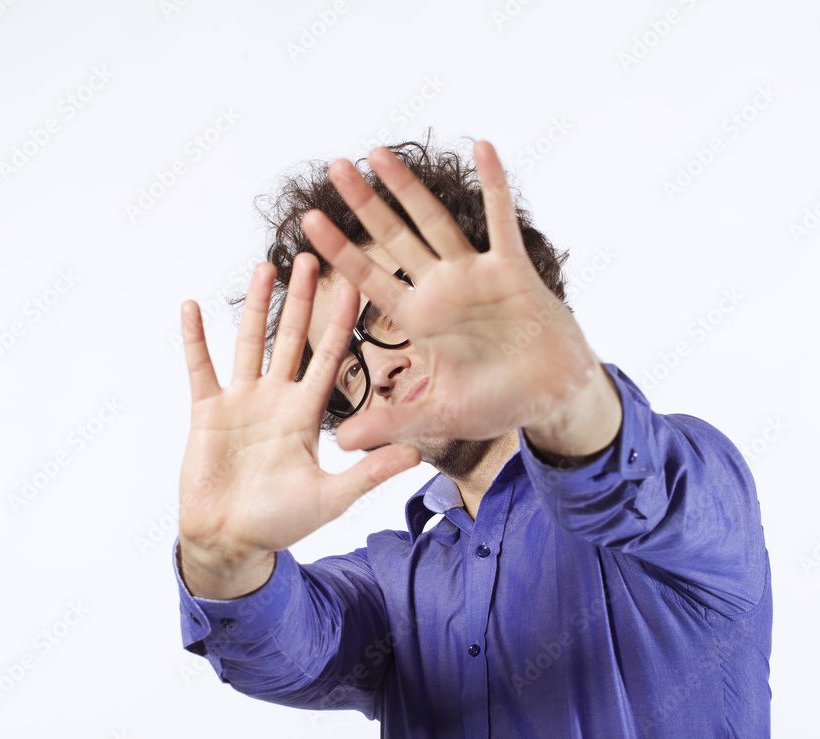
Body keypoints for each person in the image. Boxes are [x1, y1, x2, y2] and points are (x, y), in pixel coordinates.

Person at [172, 136, 773, 738]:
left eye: (389, 314)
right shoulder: (391, 588)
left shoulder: (683, 498)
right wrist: (221, 558)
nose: (380, 368)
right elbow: (282, 649)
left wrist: (557, 389)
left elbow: (631, 482)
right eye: (349, 370)